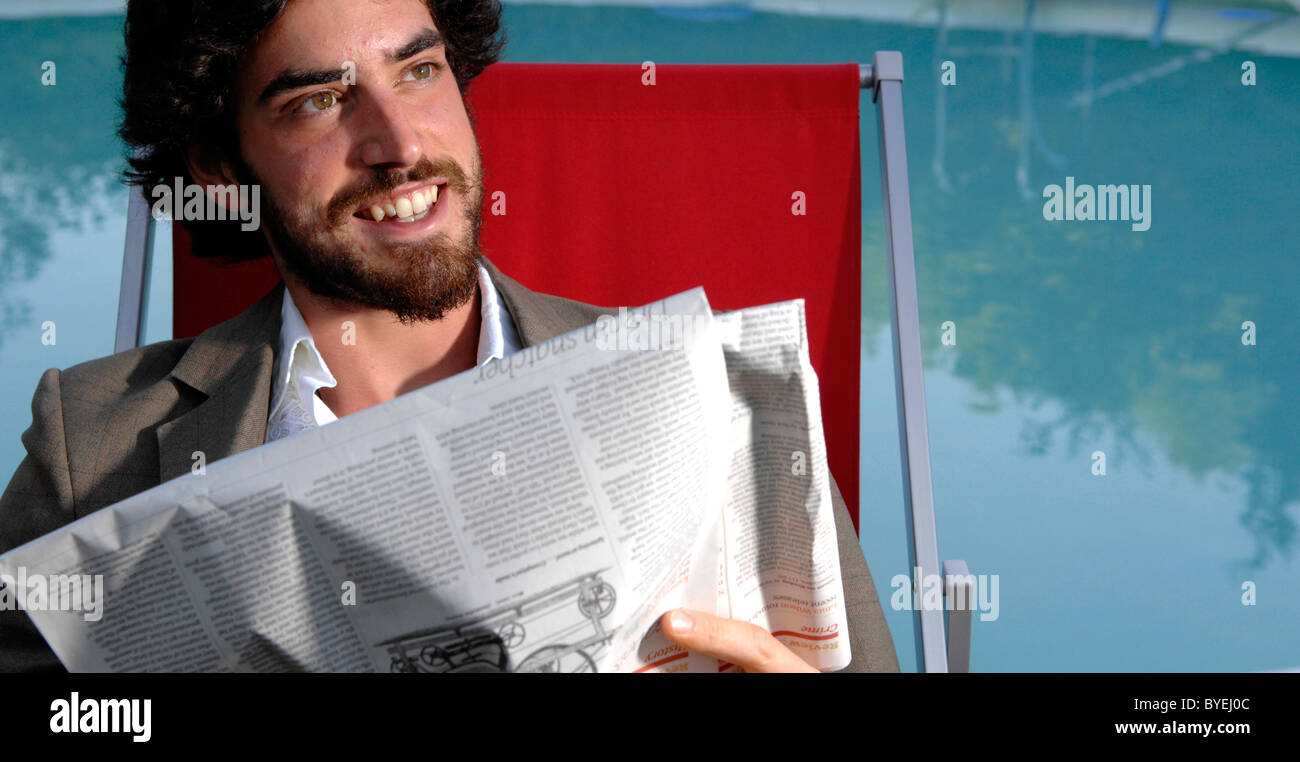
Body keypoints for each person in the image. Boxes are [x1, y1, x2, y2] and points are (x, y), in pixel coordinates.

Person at [0, 0, 898, 674]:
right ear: (220, 164)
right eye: (319, 101)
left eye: (420, 72)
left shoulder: (712, 392)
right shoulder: (96, 442)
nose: (399, 145)